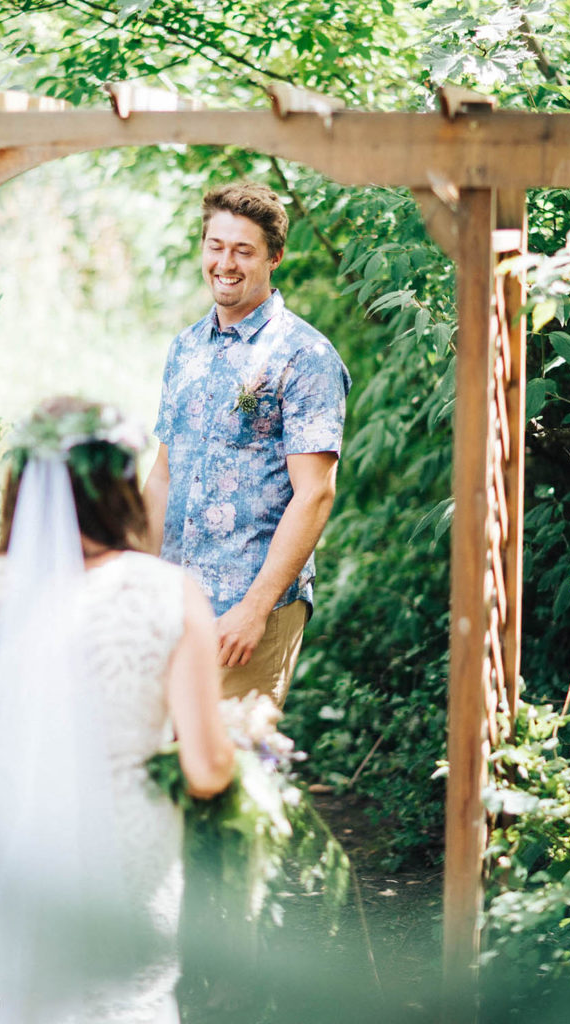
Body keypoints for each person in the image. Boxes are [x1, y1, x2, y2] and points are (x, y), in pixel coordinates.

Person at [0, 396, 234, 1024]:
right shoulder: (171, 595)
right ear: (121, 486)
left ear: (24, 483)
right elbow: (206, 771)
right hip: (127, 875)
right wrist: (242, 750)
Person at [144, 181, 351, 708]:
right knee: (156, 754)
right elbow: (164, 475)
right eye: (216, 246)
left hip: (244, 615)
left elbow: (315, 494)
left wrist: (254, 610)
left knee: (229, 757)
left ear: (274, 257)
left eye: (243, 250)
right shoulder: (186, 347)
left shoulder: (305, 356)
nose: (226, 263)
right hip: (171, 608)